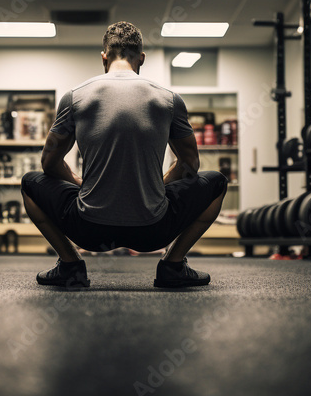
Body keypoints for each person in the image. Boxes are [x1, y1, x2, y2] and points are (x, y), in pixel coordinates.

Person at [20, 21, 227, 288]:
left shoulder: (74, 97)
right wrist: (157, 188)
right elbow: (190, 164)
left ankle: (70, 266)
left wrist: (82, 185)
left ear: (104, 57)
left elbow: (49, 164)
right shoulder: (169, 99)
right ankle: (173, 266)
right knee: (217, 183)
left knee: (29, 183)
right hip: (153, 230)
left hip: (89, 228)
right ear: (141, 58)